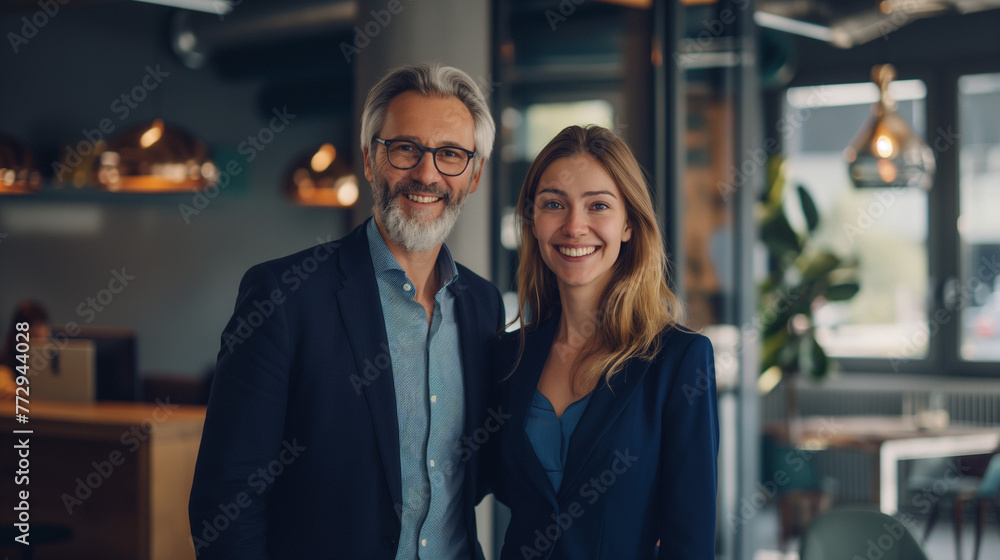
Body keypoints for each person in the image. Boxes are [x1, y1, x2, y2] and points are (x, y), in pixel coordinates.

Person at [189, 63, 504, 560]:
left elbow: (475, 472)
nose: (427, 174)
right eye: (406, 148)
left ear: (475, 172)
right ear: (370, 158)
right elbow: (226, 503)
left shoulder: (484, 306)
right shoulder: (283, 297)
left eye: (450, 155)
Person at [492, 125, 719, 559]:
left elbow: (689, 541)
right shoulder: (511, 355)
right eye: (554, 204)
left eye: (598, 206)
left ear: (629, 223)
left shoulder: (679, 360)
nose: (575, 226)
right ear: (533, 221)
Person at [0, 300, 50, 400]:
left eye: (40, 324)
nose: (36, 330)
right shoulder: (8, 362)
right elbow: (4, 380)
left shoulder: (56, 357)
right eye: (29, 325)